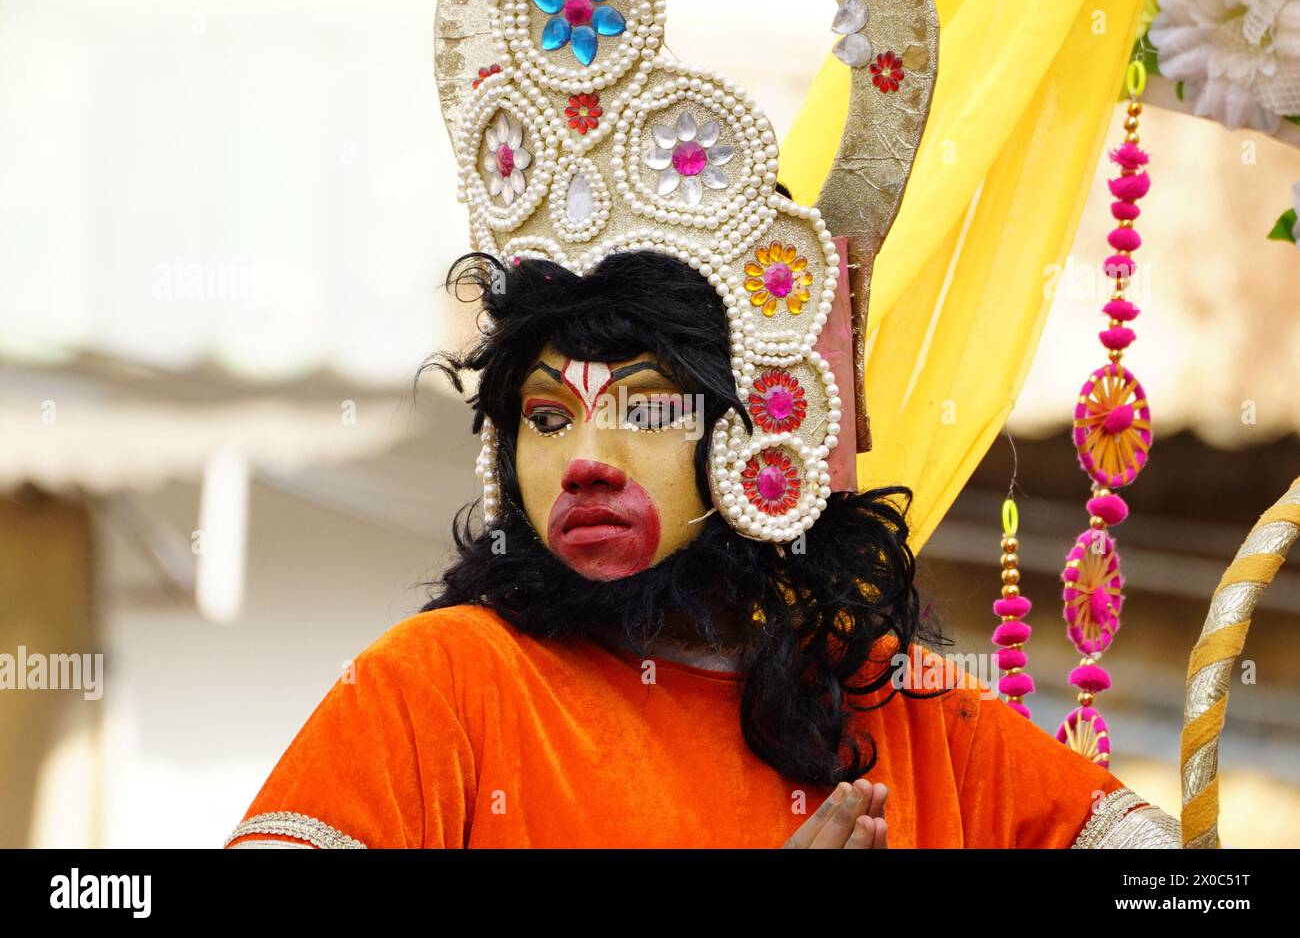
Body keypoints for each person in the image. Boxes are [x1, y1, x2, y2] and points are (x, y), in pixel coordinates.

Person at [223, 251, 1179, 849]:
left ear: (755, 439)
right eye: (547, 418)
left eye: (646, 411)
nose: (587, 461)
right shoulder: (440, 686)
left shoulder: (907, 704)